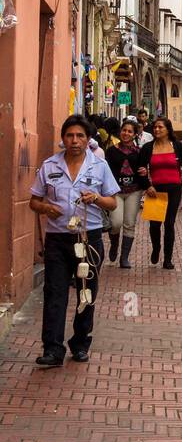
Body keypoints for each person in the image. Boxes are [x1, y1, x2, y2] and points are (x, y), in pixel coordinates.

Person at [28, 115, 120, 366]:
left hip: (88, 238)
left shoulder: (99, 166)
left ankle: (80, 343)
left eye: (80, 136)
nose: (75, 141)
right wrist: (46, 208)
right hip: (57, 239)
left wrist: (97, 198)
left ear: (88, 139)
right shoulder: (49, 166)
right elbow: (33, 201)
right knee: (55, 292)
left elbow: (113, 202)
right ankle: (52, 349)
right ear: (63, 139)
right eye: (70, 136)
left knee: (86, 292)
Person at [138, 117, 182, 270]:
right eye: (155, 127)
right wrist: (147, 186)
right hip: (155, 190)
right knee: (155, 224)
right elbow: (140, 170)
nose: (157, 130)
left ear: (168, 130)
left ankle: (168, 259)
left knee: (169, 223)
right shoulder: (147, 148)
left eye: (160, 127)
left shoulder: (178, 147)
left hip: (174, 188)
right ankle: (156, 248)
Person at [105, 118, 150, 268]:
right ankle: (114, 244)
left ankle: (124, 258)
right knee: (116, 223)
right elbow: (106, 172)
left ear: (135, 134)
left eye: (130, 131)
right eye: (124, 130)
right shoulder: (111, 151)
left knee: (129, 223)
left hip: (134, 191)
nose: (126, 133)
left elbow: (143, 168)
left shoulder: (139, 152)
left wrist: (145, 172)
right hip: (116, 192)